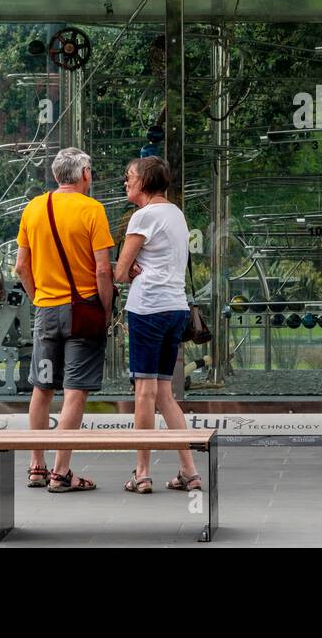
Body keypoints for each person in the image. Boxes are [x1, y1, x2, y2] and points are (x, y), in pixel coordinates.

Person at [15, 147, 115, 493]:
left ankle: (36, 466)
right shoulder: (92, 210)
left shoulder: (33, 208)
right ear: (84, 174)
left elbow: (20, 267)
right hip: (83, 311)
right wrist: (106, 309)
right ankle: (61, 472)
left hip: (46, 312)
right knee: (74, 392)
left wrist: (38, 297)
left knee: (42, 389)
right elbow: (103, 268)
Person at [114, 155, 201, 494]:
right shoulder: (176, 214)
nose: (126, 182)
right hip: (176, 309)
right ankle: (189, 471)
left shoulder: (144, 216)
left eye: (129, 176)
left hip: (148, 309)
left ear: (144, 182)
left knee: (145, 392)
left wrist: (131, 269)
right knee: (165, 393)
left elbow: (121, 271)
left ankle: (142, 472)